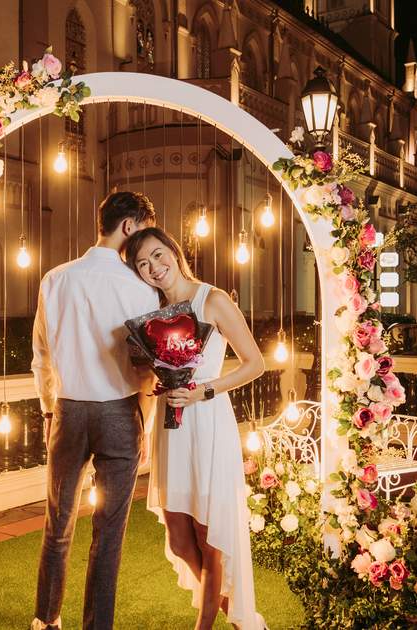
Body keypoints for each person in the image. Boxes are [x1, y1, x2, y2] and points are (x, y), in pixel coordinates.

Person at [123, 227, 268, 630]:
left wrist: (203, 391)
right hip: (171, 428)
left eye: (157, 255)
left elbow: (255, 364)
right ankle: (241, 618)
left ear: (173, 250)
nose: (154, 267)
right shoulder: (153, 312)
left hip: (208, 422)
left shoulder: (213, 299)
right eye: (143, 264)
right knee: (179, 538)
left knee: (209, 535)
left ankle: (204, 625)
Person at [30, 191, 160, 630]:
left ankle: (46, 620)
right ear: (129, 226)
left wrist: (49, 411)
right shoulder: (141, 288)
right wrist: (145, 425)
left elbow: (42, 357)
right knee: (109, 535)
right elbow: (147, 370)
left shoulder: (55, 279)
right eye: (143, 231)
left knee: (58, 523)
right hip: (120, 414)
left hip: (67, 410)